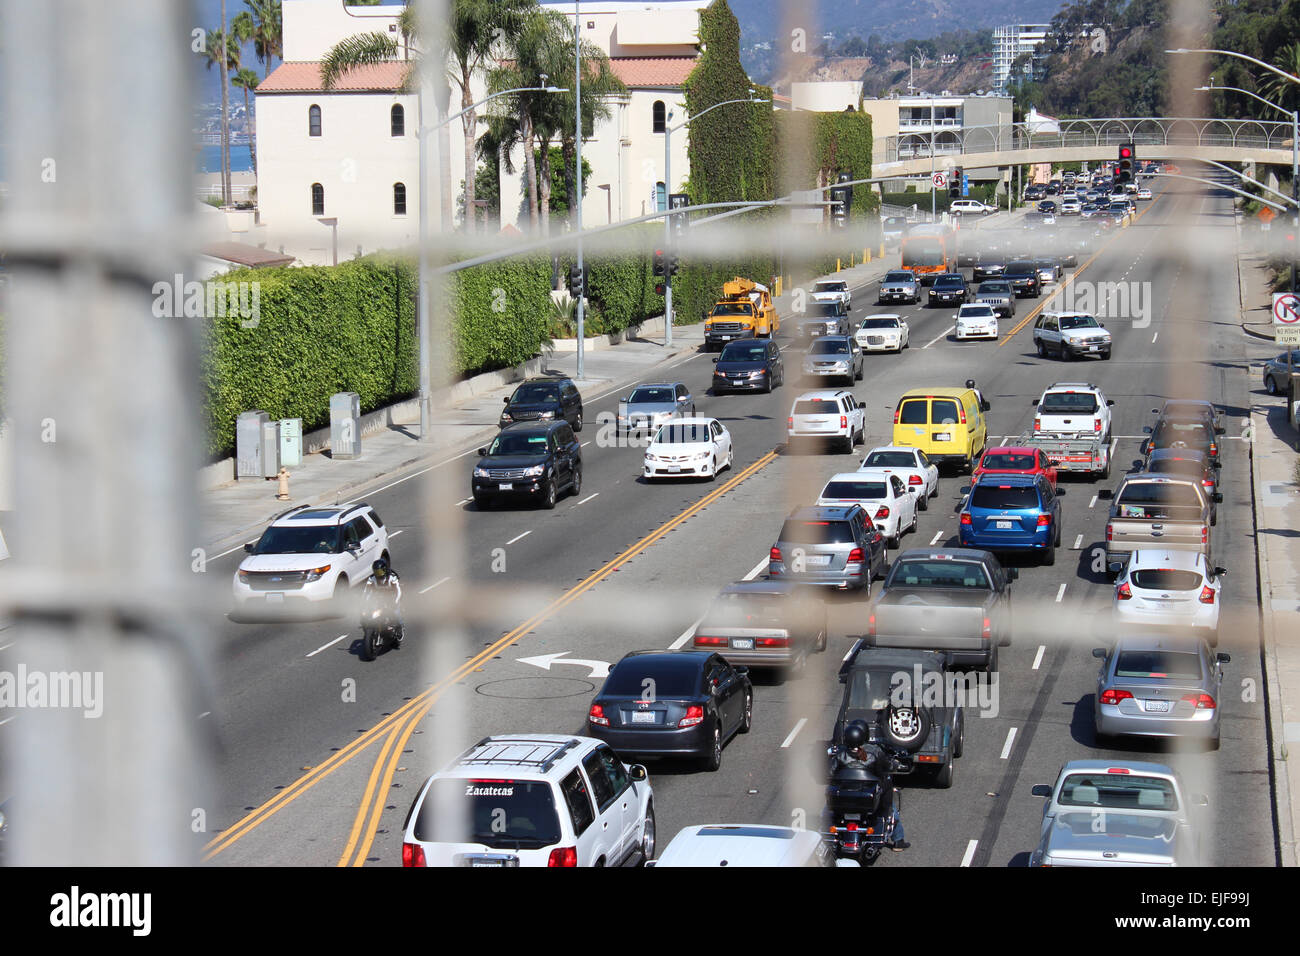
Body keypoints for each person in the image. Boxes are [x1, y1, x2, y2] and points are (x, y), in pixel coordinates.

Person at [837, 720, 909, 851]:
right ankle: (898, 840)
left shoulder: (840, 753)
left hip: (844, 795)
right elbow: (887, 767)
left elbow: (829, 772)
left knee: (827, 809)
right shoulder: (873, 752)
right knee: (888, 804)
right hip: (867, 797)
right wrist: (895, 765)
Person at [362, 557, 403, 646]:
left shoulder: (392, 578)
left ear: (384, 570)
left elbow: (398, 591)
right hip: (378, 599)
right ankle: (370, 631)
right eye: (376, 572)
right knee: (364, 615)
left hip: (391, 598)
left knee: (395, 612)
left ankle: (400, 627)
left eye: (380, 572)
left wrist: (395, 601)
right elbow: (366, 592)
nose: (378, 574)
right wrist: (365, 602)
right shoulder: (372, 579)